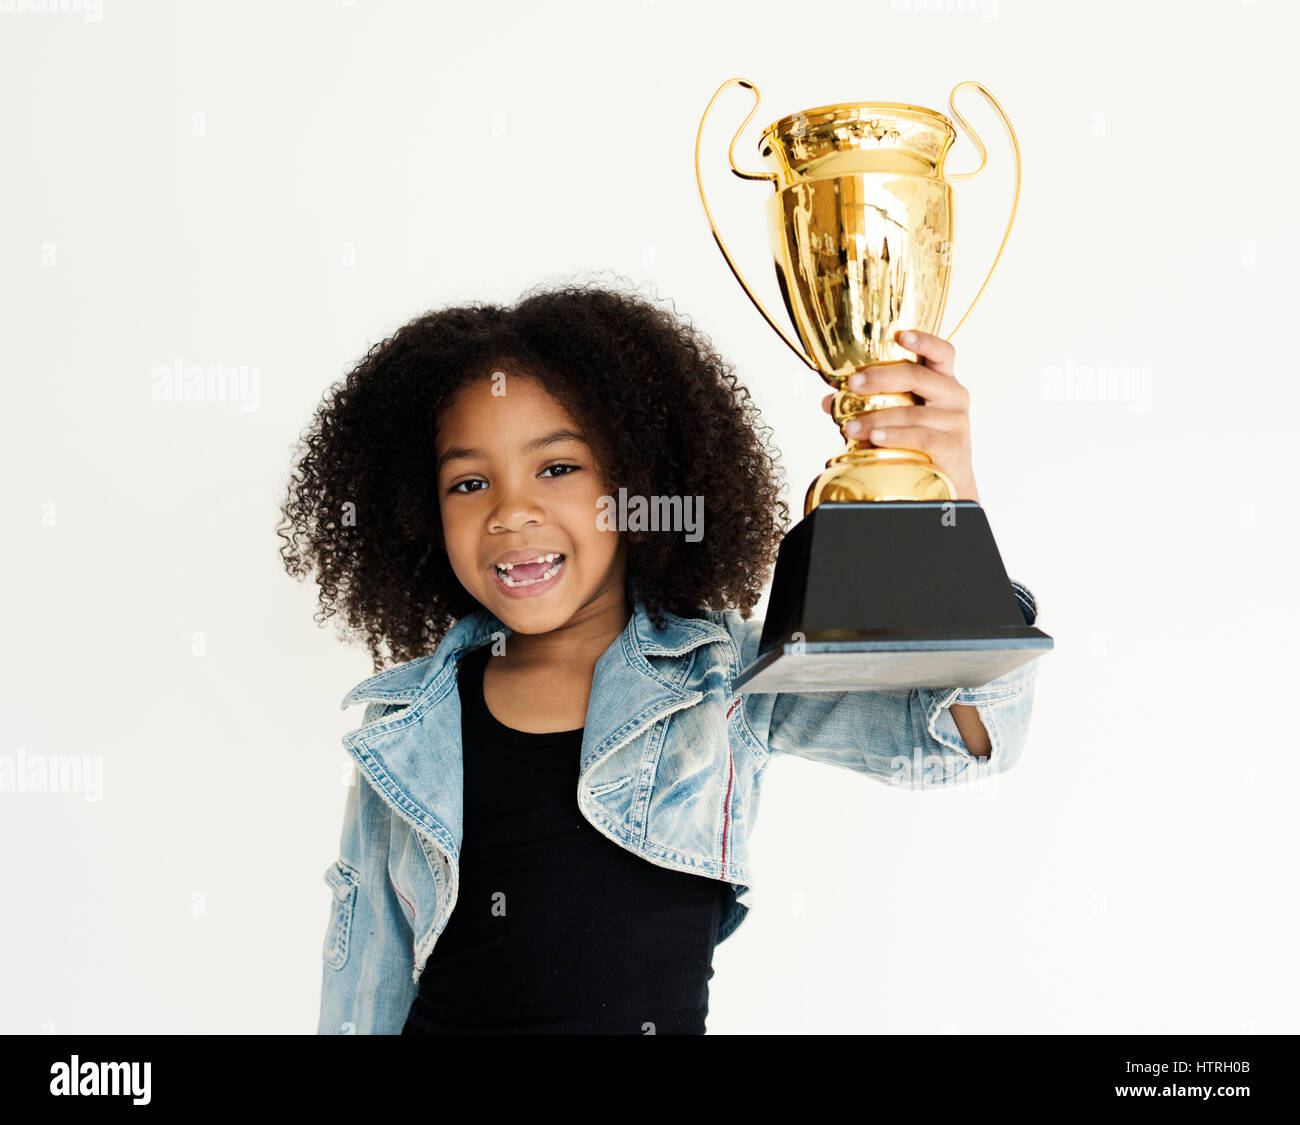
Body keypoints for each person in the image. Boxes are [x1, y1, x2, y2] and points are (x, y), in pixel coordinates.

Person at [277, 279, 1041, 1035]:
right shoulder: (403, 726)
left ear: (637, 482)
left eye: (557, 467)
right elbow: (362, 996)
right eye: (470, 482)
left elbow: (963, 741)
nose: (511, 511)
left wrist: (950, 501)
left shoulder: (724, 678)